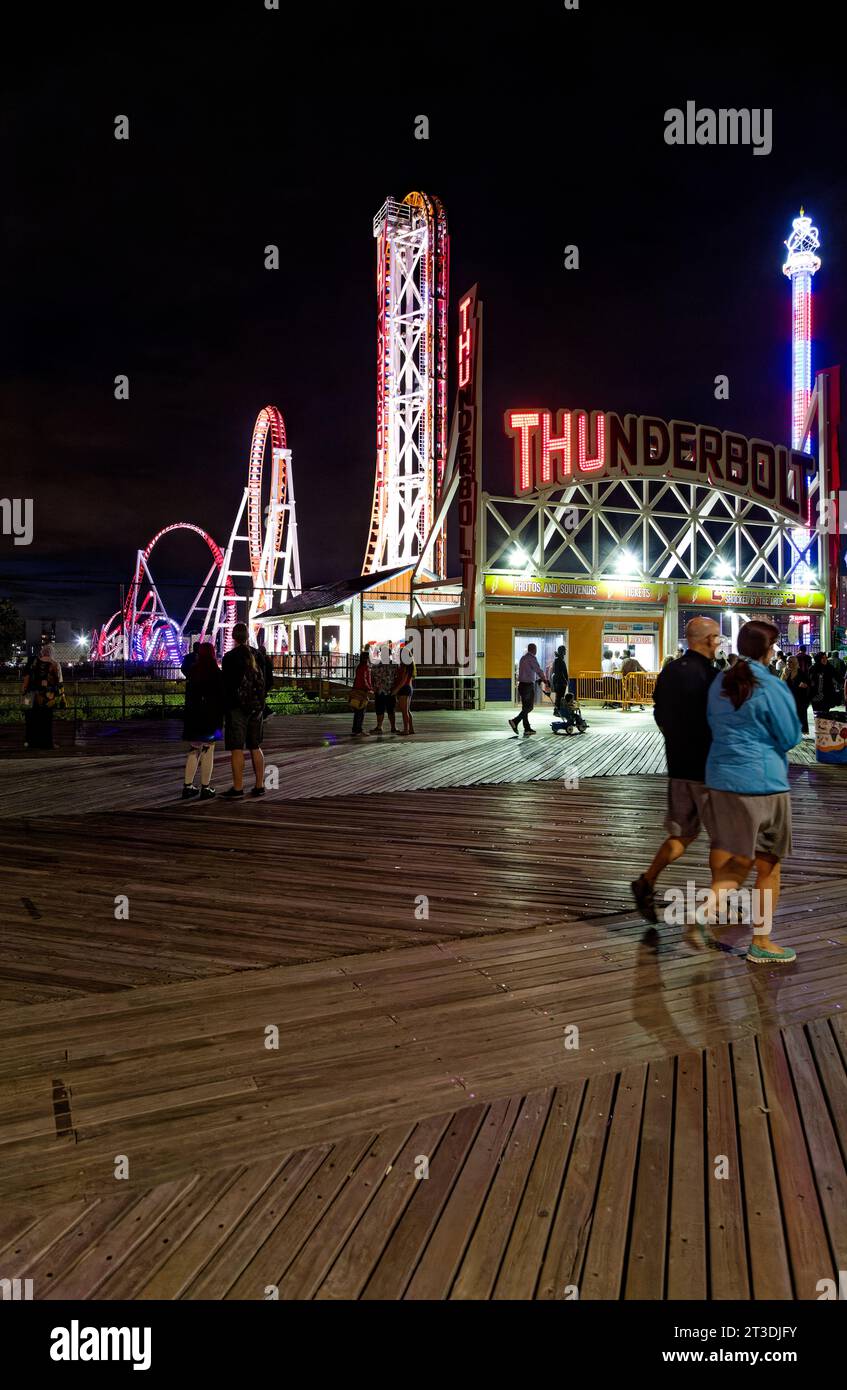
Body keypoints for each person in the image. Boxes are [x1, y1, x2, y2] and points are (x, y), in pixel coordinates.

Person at [700, 619, 802, 964]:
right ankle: (761, 942)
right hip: (763, 784)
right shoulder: (772, 687)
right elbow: (790, 737)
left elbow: (711, 724)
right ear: (769, 650)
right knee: (768, 867)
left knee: (733, 859)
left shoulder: (719, 683)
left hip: (721, 781)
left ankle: (708, 910)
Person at [631, 616, 721, 924]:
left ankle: (647, 880)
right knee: (722, 839)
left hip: (678, 765)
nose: (718, 643)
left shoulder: (670, 671)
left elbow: (659, 712)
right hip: (708, 769)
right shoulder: (710, 675)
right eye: (717, 638)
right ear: (708, 640)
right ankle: (718, 900)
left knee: (682, 834)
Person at [221, 622, 267, 798]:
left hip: (237, 708)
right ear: (248, 636)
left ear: (233, 637)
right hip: (256, 708)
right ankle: (259, 785)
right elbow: (267, 681)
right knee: (255, 746)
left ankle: (238, 788)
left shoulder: (230, 657)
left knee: (237, 748)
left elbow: (226, 685)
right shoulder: (258, 655)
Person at [181, 642, 224, 799]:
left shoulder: (193, 672)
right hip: (211, 719)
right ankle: (206, 787)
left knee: (193, 750)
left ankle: (188, 785)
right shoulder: (217, 673)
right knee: (208, 749)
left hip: (193, 718)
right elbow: (220, 698)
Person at [22, 644, 65, 749]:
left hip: (32, 696)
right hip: (48, 697)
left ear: (42, 652)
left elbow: (26, 679)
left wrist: (24, 692)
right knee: (47, 720)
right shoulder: (55, 664)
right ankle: (47, 743)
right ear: (52, 653)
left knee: (33, 719)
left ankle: (31, 743)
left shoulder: (33, 662)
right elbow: (59, 683)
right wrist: (62, 697)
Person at [509, 643, 549, 735]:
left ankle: (527, 728)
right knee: (529, 707)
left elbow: (527, 672)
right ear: (533, 649)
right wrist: (544, 679)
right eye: (536, 649)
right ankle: (515, 721)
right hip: (528, 685)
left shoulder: (523, 658)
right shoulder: (531, 658)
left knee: (525, 708)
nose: (536, 651)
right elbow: (538, 670)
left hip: (521, 685)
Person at [369, 644, 398, 734]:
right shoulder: (393, 665)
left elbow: (372, 677)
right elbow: (372, 677)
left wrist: (374, 687)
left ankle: (385, 726)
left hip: (386, 691)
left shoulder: (393, 665)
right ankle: (386, 727)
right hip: (385, 690)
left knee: (386, 710)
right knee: (385, 710)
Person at [782, 654, 811, 735]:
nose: (788, 663)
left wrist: (804, 685)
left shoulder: (800, 672)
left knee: (799, 715)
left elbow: (808, 683)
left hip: (799, 698)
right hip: (787, 698)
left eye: (790, 662)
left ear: (795, 663)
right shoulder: (784, 671)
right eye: (787, 661)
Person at [393, 641, 417, 735]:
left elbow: (403, 680)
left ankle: (406, 730)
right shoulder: (410, 666)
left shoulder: (405, 666)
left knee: (404, 711)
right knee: (407, 710)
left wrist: (396, 690)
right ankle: (411, 729)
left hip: (404, 689)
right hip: (409, 688)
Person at [810, 651, 839, 718]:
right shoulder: (813, 668)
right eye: (822, 658)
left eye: (825, 657)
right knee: (817, 716)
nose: (825, 659)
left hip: (827, 696)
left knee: (825, 716)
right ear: (818, 659)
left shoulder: (829, 667)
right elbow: (810, 681)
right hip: (816, 697)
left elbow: (838, 677)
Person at [350, 650, 373, 736]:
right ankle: (358, 730)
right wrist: (369, 689)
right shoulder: (365, 667)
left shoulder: (360, 666)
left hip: (357, 689)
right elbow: (365, 680)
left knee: (357, 711)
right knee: (361, 711)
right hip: (362, 691)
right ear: (367, 658)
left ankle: (355, 729)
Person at [550, 645, 569, 716]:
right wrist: (565, 680)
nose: (565, 652)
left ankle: (558, 710)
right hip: (560, 682)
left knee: (559, 697)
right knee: (559, 697)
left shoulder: (559, 659)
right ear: (562, 651)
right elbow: (561, 672)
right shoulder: (559, 660)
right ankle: (556, 711)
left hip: (560, 682)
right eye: (564, 651)